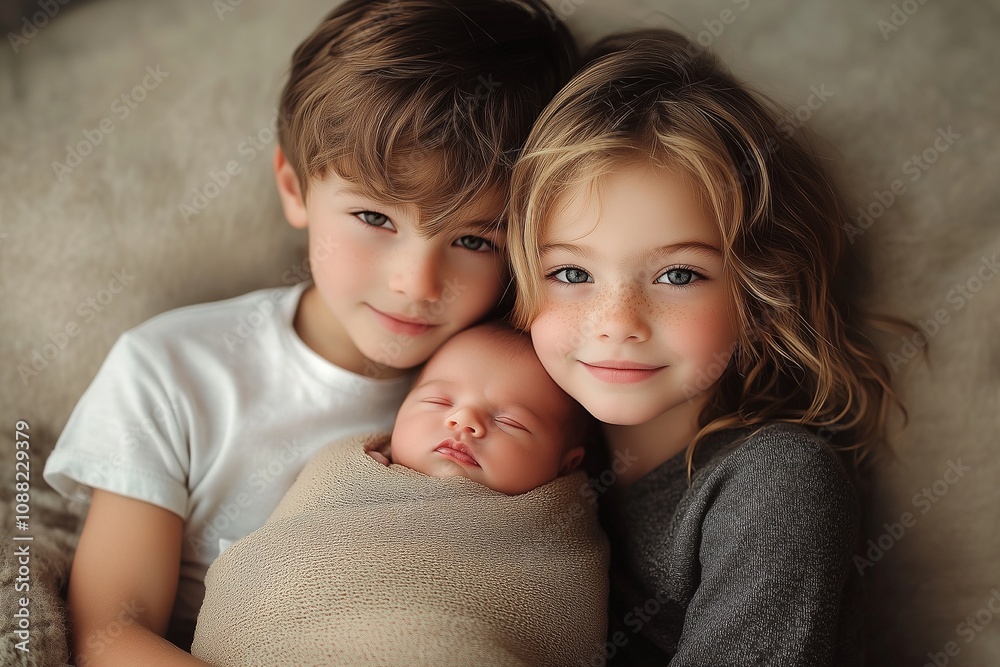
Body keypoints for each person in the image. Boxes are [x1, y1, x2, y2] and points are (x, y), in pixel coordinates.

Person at [42, 2, 577, 664]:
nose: (416, 280)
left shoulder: (519, 400)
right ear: (295, 188)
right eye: (375, 218)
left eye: (473, 238)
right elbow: (108, 635)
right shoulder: (172, 370)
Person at [507, 29, 909, 666]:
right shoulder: (525, 449)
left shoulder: (772, 481)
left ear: (757, 290)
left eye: (678, 275)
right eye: (572, 274)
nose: (617, 323)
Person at [190, 323, 609, 667]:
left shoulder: (559, 541)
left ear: (567, 465)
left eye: (511, 422)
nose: (463, 420)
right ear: (400, 411)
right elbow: (280, 563)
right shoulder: (343, 475)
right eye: (438, 400)